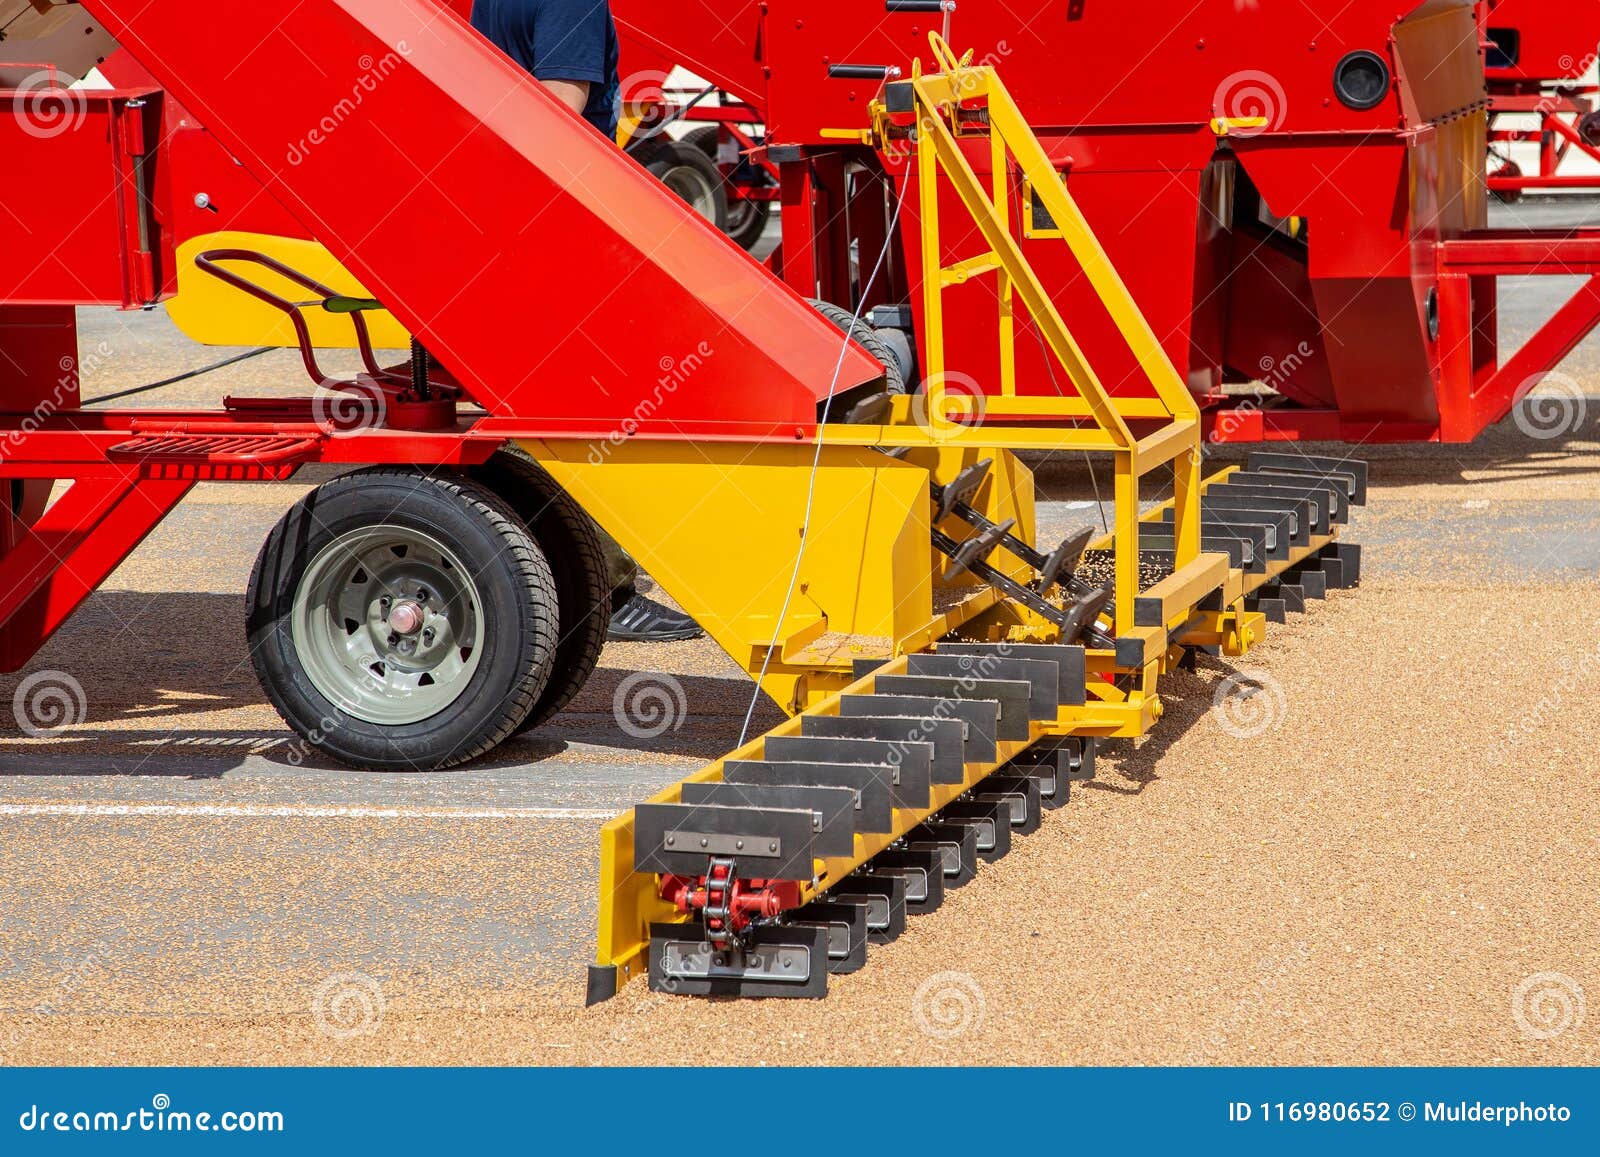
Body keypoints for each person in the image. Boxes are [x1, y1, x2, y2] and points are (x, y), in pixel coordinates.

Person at [471, 0, 701, 643]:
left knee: (531, 408)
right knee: (583, 412)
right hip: (558, 224)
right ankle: (602, 591)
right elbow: (557, 110)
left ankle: (549, 574)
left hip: (513, 222)